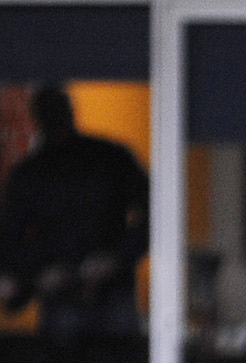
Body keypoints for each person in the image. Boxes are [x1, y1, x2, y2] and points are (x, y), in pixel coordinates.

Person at [0, 84, 147, 347]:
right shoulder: (107, 158)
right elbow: (10, 234)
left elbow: (153, 214)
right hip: (68, 290)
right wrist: (35, 276)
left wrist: (116, 258)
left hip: (104, 289)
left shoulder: (108, 159)